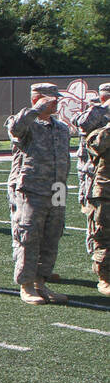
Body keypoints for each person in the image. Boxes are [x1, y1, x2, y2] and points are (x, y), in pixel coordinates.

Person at [6, 83, 72, 305]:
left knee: (52, 235)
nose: (56, 102)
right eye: (52, 99)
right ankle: (26, 286)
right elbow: (15, 129)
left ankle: (41, 283)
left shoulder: (61, 128)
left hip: (57, 189)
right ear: (38, 99)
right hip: (31, 189)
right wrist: (35, 109)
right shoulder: (26, 125)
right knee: (29, 235)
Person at [74, 82, 110, 260]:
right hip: (93, 174)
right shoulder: (95, 111)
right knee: (95, 216)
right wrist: (103, 107)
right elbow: (82, 123)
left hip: (105, 171)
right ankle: (95, 253)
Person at [83, 112, 110, 295]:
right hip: (105, 194)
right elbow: (97, 146)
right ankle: (105, 278)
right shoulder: (100, 134)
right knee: (104, 236)